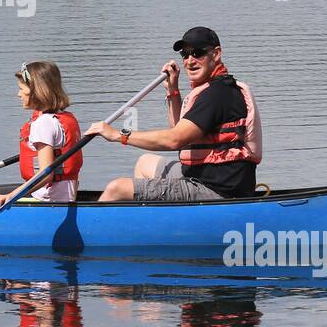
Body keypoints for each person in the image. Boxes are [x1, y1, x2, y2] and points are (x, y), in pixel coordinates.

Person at [89, 27, 261, 202]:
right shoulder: (214, 89)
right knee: (144, 163)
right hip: (204, 177)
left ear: (216, 54)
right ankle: (154, 222)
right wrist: (173, 90)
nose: (190, 61)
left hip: (217, 190)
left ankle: (91, 228)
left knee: (116, 189)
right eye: (185, 55)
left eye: (198, 53)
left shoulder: (217, 94)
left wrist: (119, 135)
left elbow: (174, 140)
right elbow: (180, 130)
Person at [0, 61, 83, 208]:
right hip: (64, 196)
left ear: (37, 91)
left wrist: (11, 196)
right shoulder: (61, 117)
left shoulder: (43, 124)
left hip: (47, 200)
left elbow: (46, 175)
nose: (18, 94)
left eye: (21, 89)